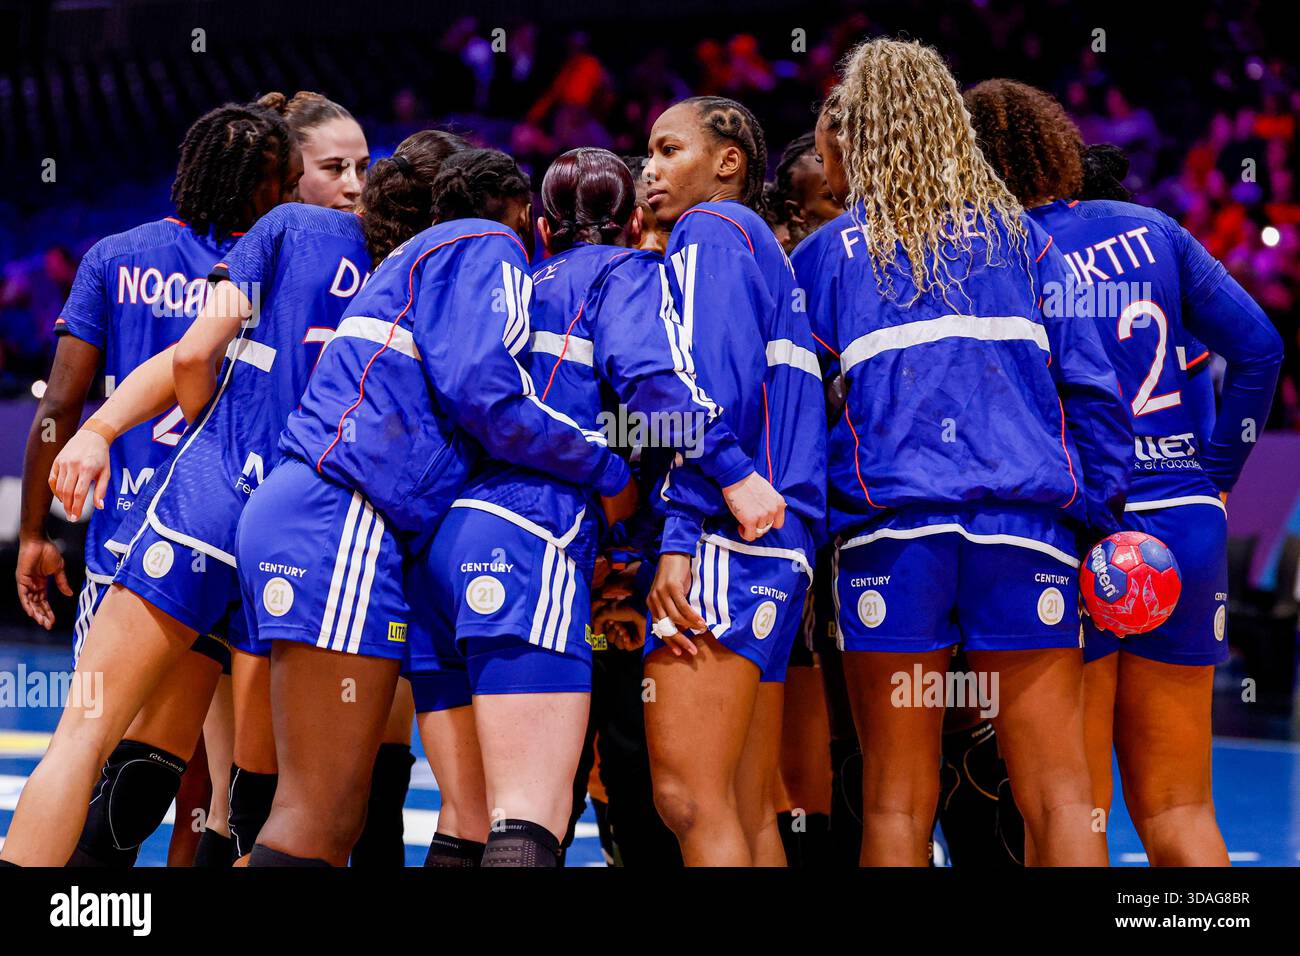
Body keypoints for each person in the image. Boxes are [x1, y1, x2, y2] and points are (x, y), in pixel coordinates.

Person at [234, 146, 638, 866]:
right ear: (517, 210)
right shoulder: (486, 243)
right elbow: (486, 395)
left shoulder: (414, 259)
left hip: (307, 507)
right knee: (317, 818)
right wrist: (607, 468)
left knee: (320, 810)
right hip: (344, 514)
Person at [795, 39, 1131, 867]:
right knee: (1061, 794)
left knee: (896, 801)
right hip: (1025, 530)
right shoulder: (1029, 242)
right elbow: (1094, 394)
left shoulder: (826, 255)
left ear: (856, 135)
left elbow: (790, 415)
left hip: (892, 538)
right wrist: (1089, 518)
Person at [965, 78, 1283, 865]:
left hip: (1072, 529)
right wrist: (1218, 476)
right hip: (1185, 520)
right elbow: (1261, 349)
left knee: (1071, 811)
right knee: (1180, 806)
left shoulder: (992, 254)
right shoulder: (1156, 231)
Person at [2, 102, 299, 867]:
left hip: (128, 551)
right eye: (291, 180)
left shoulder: (115, 254)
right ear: (266, 185)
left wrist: (35, 533)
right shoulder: (278, 268)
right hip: (244, 540)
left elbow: (61, 405)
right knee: (200, 779)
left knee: (90, 749)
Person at [639, 95, 827, 866]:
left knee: (690, 801)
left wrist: (681, 533)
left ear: (728, 162)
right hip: (782, 544)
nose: (649, 168)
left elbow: (702, 387)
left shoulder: (709, 229)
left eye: (668, 149)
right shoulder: (758, 243)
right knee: (748, 812)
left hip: (727, 533)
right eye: (646, 153)